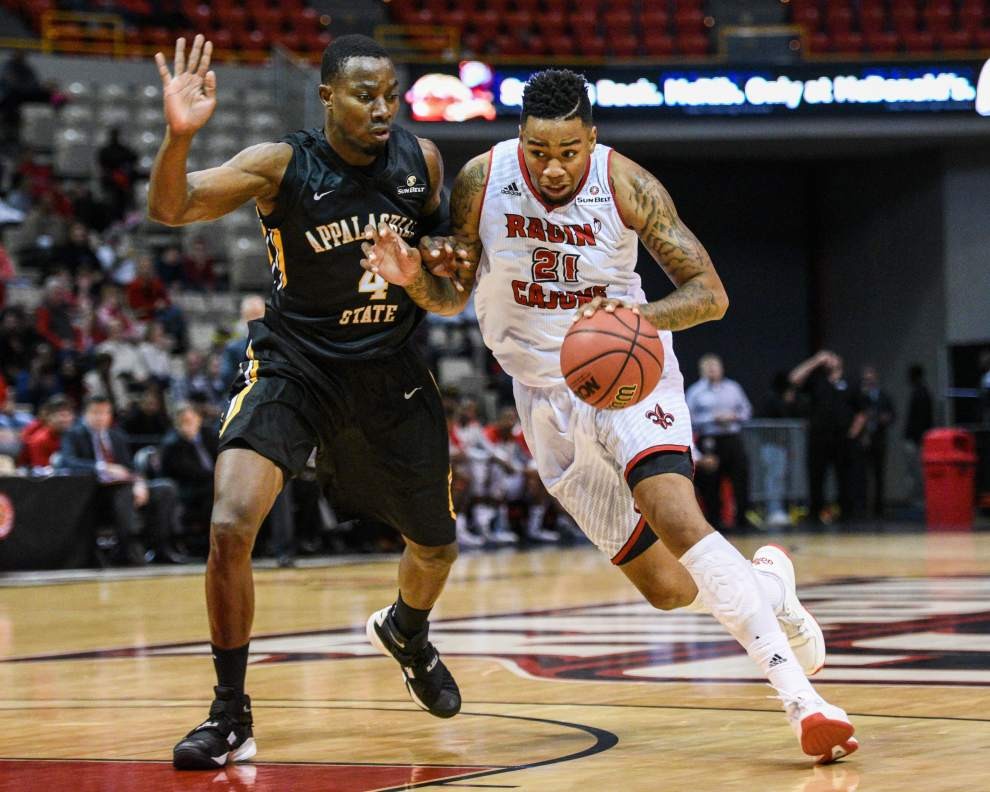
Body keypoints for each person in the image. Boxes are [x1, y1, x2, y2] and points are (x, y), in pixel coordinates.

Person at [362, 68, 857, 764]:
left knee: (680, 518)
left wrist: (634, 317)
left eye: (569, 150)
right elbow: (451, 296)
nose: (555, 166)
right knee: (669, 589)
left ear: (591, 138)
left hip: (629, 376)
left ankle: (804, 701)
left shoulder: (628, 185)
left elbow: (709, 294)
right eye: (540, 150)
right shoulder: (482, 180)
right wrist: (413, 277)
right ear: (520, 140)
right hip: (542, 397)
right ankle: (771, 585)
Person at [148, 34, 462, 769]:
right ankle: (230, 713)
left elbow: (447, 289)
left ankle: (407, 630)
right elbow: (172, 206)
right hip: (298, 365)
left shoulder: (424, 164)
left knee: (436, 547)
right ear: (327, 96)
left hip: (389, 369)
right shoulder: (281, 165)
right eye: (364, 95)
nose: (382, 108)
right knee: (230, 523)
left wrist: (425, 271)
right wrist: (178, 137)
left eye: (391, 94)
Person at [60, 395, 180, 565]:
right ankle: (127, 550)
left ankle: (161, 547)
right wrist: (103, 467)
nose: (100, 417)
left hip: (125, 488)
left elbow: (131, 468)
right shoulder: (74, 434)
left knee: (165, 489)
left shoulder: (117, 436)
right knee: (124, 491)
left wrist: (139, 484)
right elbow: (68, 461)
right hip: (96, 493)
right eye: (95, 413)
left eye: (105, 413)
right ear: (85, 414)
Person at [685, 353, 753, 530]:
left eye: (715, 366)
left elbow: (747, 411)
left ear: (721, 368)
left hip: (732, 438)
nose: (712, 370)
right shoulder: (695, 391)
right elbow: (687, 417)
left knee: (741, 477)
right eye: (708, 367)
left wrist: (734, 416)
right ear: (702, 370)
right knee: (710, 481)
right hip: (709, 440)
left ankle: (742, 520)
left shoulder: (733, 387)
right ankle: (714, 521)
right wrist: (711, 418)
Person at [789, 350, 855, 524]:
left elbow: (861, 411)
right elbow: (794, 378)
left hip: (842, 437)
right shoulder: (817, 380)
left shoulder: (849, 382)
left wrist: (853, 433)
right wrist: (815, 360)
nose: (830, 359)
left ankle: (846, 513)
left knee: (845, 476)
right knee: (816, 475)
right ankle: (816, 512)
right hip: (819, 436)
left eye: (833, 356)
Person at [160, 402, 217, 538]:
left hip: (212, 482)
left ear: (199, 419)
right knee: (213, 490)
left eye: (190, 420)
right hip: (187, 488)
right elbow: (189, 472)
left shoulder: (209, 435)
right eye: (183, 422)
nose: (187, 425)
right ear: (177, 425)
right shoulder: (172, 444)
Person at [849, 365, 895, 519]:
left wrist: (884, 418)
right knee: (861, 474)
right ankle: (861, 508)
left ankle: (879, 507)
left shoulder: (884, 396)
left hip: (878, 439)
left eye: (870, 378)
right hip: (863, 439)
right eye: (865, 379)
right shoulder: (860, 396)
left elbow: (892, 415)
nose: (868, 381)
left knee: (879, 474)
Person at [903, 364, 933, 507]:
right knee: (915, 472)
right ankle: (918, 500)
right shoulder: (920, 391)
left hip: (917, 439)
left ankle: (919, 501)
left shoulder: (920, 393)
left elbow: (921, 419)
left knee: (917, 472)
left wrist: (919, 439)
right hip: (917, 438)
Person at [17, 394, 74, 467]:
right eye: (62, 415)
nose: (66, 419)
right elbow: (41, 472)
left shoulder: (73, 436)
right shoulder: (39, 440)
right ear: (49, 417)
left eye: (69, 414)